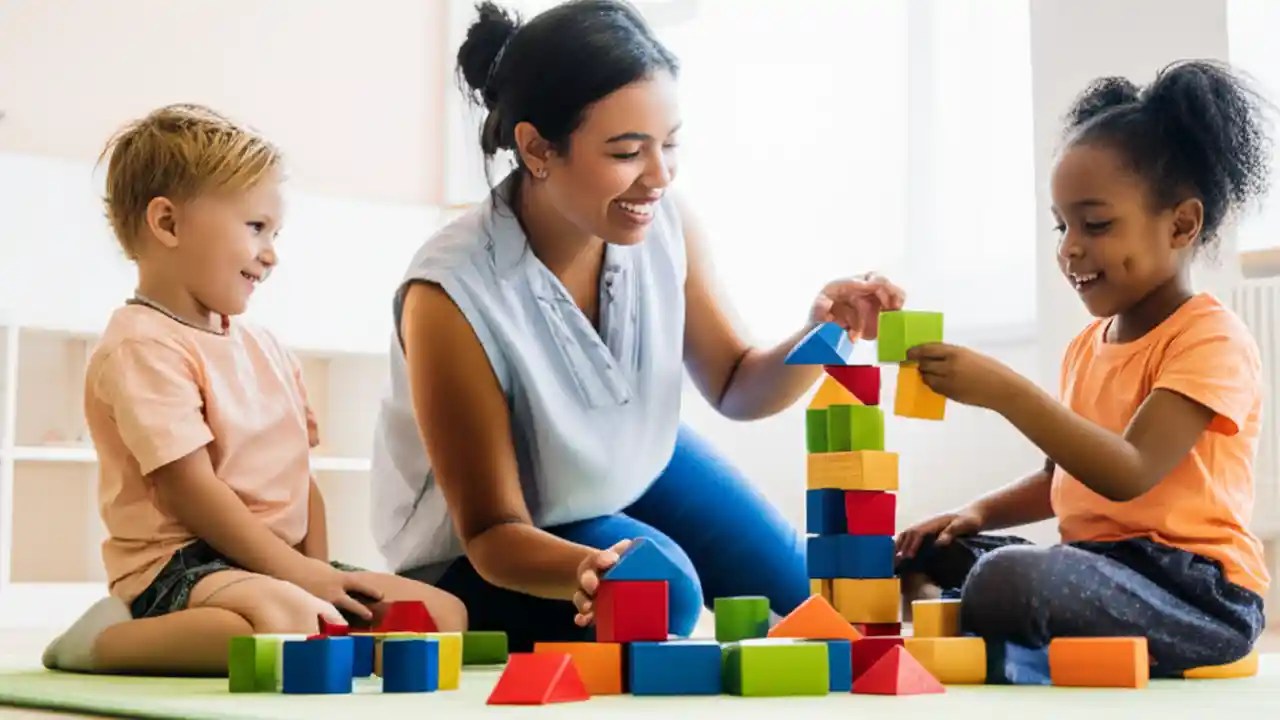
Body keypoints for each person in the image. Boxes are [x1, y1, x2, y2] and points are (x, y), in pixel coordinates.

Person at [370, 0, 905, 651]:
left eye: (670, 144)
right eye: (627, 152)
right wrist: (582, 570)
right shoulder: (449, 294)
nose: (658, 177)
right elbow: (489, 535)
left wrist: (824, 332)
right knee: (662, 592)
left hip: (619, 466)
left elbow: (737, 383)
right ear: (537, 149)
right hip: (490, 548)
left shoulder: (664, 222)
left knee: (815, 599)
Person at [41, 104, 466, 675]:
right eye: (255, 228)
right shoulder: (141, 345)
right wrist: (303, 584)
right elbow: (191, 490)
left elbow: (302, 483)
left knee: (444, 614)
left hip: (275, 565)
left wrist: (322, 577)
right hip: (182, 567)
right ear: (166, 224)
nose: (271, 254)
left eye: (275, 232)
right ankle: (100, 644)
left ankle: (303, 619)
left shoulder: (264, 345)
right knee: (287, 626)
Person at [895, 60, 1271, 675]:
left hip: (1197, 593)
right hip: (1102, 568)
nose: (1070, 248)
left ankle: (988, 621)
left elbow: (1129, 472)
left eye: (1095, 225)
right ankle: (979, 615)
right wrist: (978, 514)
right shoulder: (1088, 344)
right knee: (931, 552)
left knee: (1009, 578)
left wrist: (1004, 392)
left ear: (1181, 224)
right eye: (1061, 225)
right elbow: (1063, 478)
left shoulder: (1209, 337)